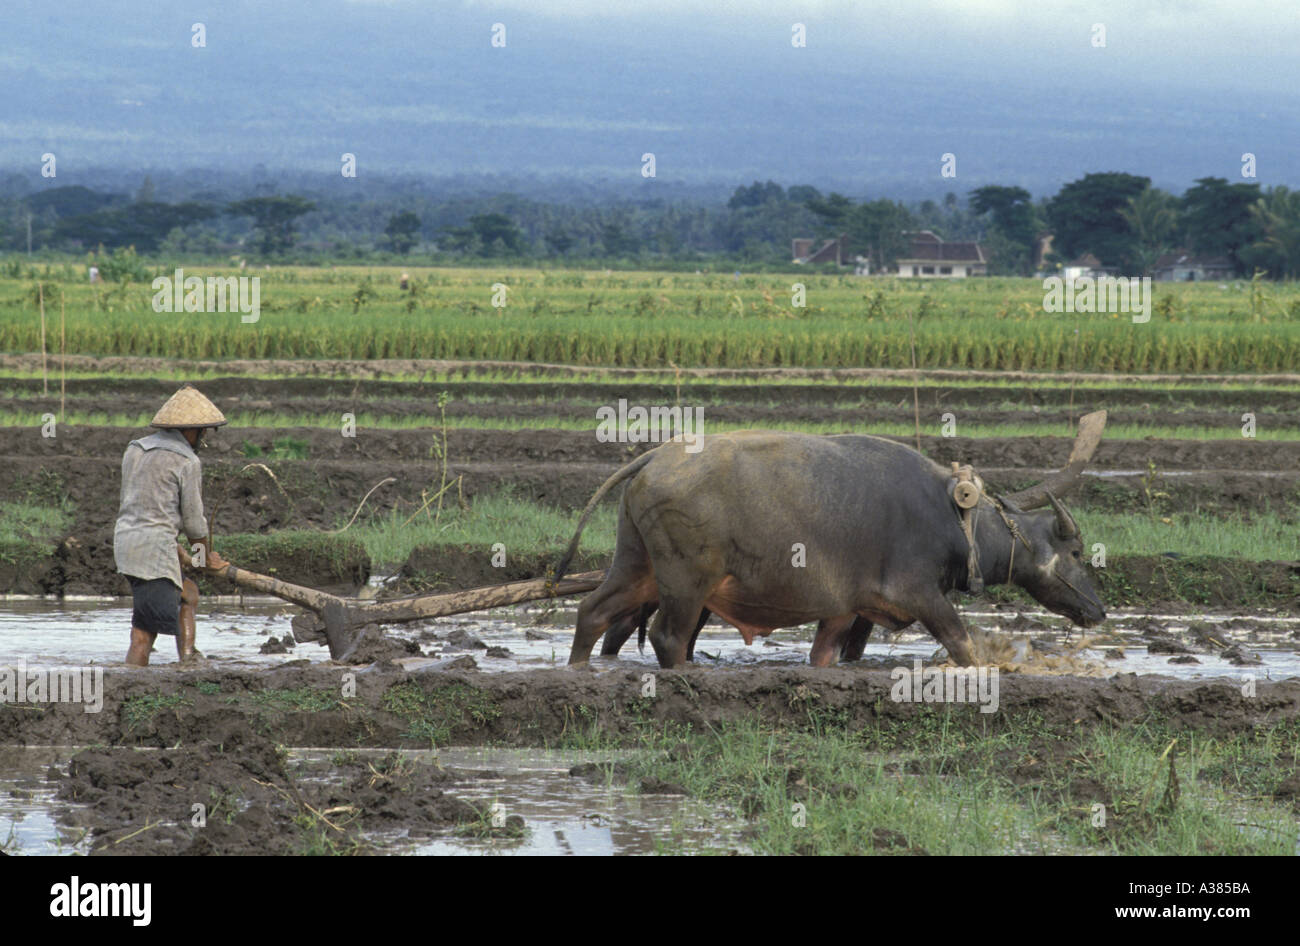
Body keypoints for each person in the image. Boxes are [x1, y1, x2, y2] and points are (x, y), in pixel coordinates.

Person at [114, 385, 230, 666]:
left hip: (126, 542)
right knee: (144, 634)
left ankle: (188, 660)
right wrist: (202, 560)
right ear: (192, 430)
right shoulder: (186, 460)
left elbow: (138, 507)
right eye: (203, 432)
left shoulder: (135, 449)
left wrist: (178, 552)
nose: (203, 439)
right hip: (153, 551)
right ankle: (131, 685)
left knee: (188, 593)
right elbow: (193, 522)